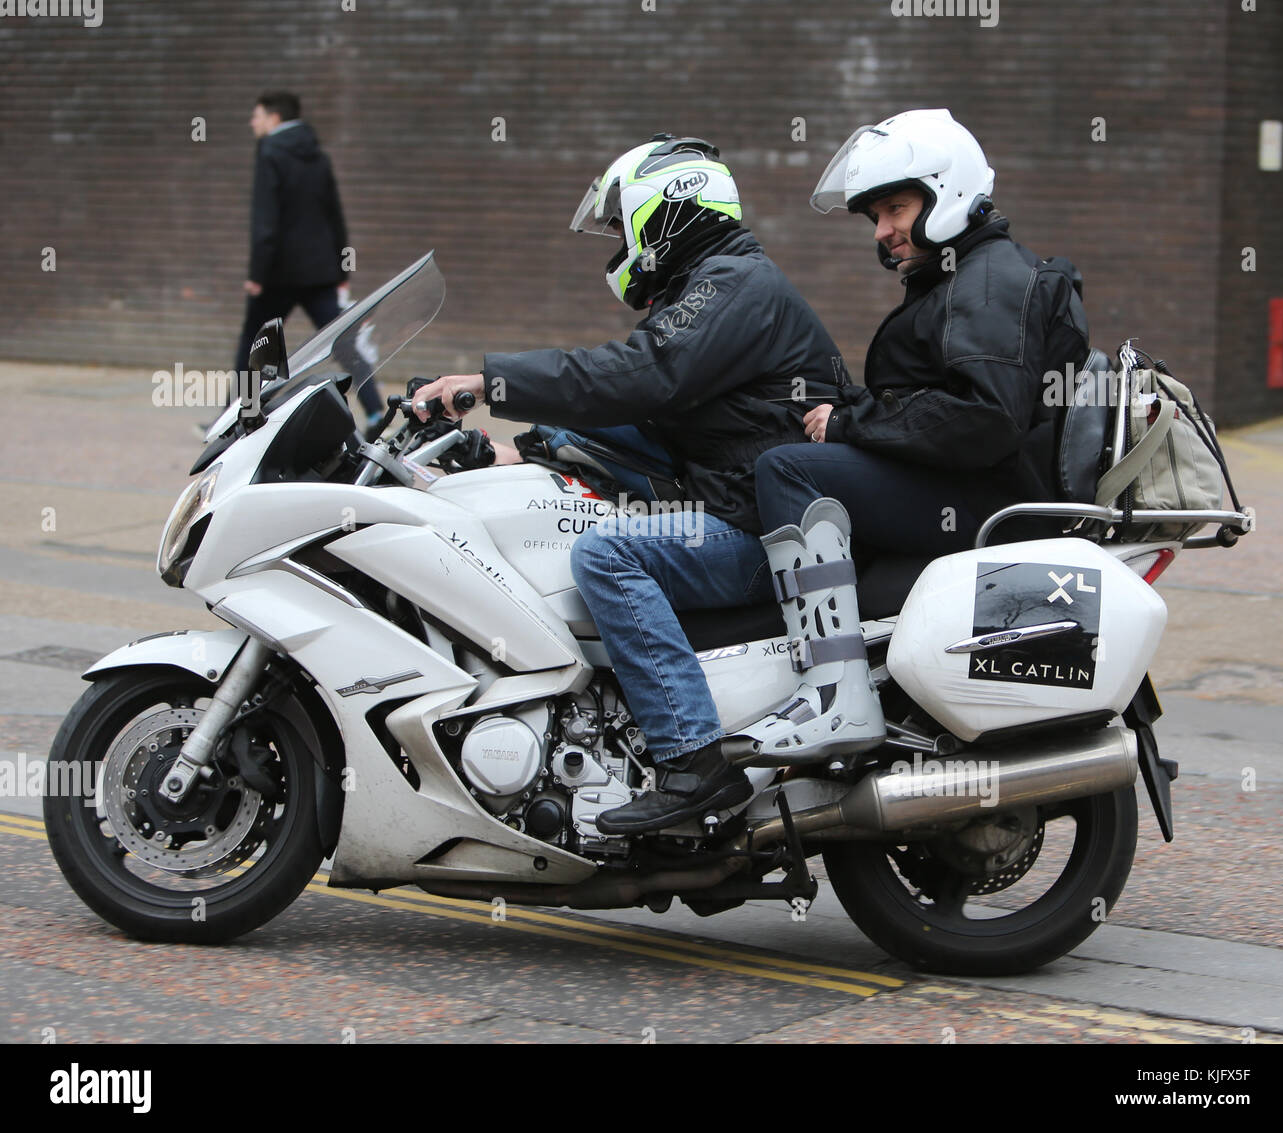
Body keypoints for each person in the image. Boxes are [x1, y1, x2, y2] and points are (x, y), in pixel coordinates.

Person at [413, 134, 879, 834]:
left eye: (623, 221)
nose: (618, 243)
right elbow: (652, 424)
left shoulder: (734, 285)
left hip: (761, 528)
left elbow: (639, 375)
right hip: (743, 507)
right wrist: (520, 451)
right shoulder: (717, 287)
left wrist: (490, 381)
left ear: (667, 212)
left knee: (608, 553)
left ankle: (694, 760)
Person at [755, 108, 1090, 564]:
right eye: (876, 215)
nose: (882, 231)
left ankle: (819, 634)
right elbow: (925, 396)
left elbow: (987, 417)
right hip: (965, 487)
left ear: (948, 194)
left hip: (987, 506)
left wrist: (849, 422)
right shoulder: (961, 276)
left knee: (786, 469)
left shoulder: (989, 284)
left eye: (895, 209)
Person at [233, 90, 383, 427]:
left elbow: (265, 221)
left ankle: (242, 416)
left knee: (255, 343)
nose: (252, 122)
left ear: (273, 118)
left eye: (256, 116)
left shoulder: (269, 150)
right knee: (342, 342)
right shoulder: (318, 154)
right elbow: (334, 214)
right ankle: (375, 411)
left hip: (277, 274)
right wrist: (342, 268)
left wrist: (257, 274)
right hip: (320, 271)